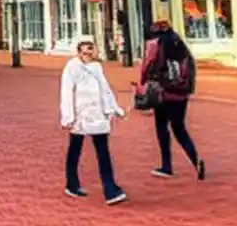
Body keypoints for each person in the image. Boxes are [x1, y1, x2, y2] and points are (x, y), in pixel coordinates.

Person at [59, 36, 128, 206]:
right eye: (84, 48)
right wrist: (68, 116)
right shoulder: (72, 68)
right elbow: (66, 92)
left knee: (103, 153)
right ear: (78, 50)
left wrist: (114, 109)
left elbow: (105, 90)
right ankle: (72, 184)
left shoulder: (97, 67)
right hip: (80, 116)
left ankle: (110, 190)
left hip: (98, 116)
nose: (88, 52)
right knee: (75, 150)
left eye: (91, 48)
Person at [139, 21, 204, 180]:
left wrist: (143, 82)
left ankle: (166, 166)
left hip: (164, 92)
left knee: (162, 128)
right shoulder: (179, 44)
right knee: (179, 128)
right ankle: (195, 161)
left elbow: (147, 64)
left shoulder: (155, 44)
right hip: (181, 94)